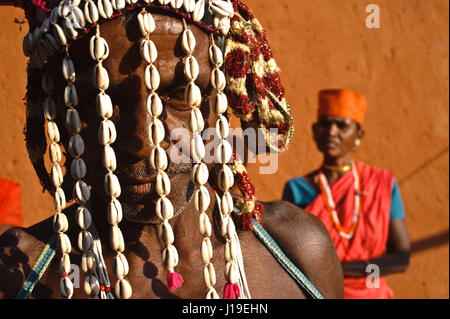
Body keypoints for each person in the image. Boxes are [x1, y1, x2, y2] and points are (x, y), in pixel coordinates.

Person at [0, 0, 343, 299]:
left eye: (181, 95)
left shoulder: (298, 251)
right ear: (57, 113)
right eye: (98, 102)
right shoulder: (18, 272)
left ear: (221, 105)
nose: (144, 143)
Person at [283, 89, 410, 299]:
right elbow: (290, 256)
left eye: (341, 125)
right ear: (315, 131)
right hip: (320, 294)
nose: (332, 132)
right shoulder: (297, 189)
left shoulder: (382, 184)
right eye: (325, 124)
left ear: (359, 135)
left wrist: (343, 269)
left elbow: (401, 258)